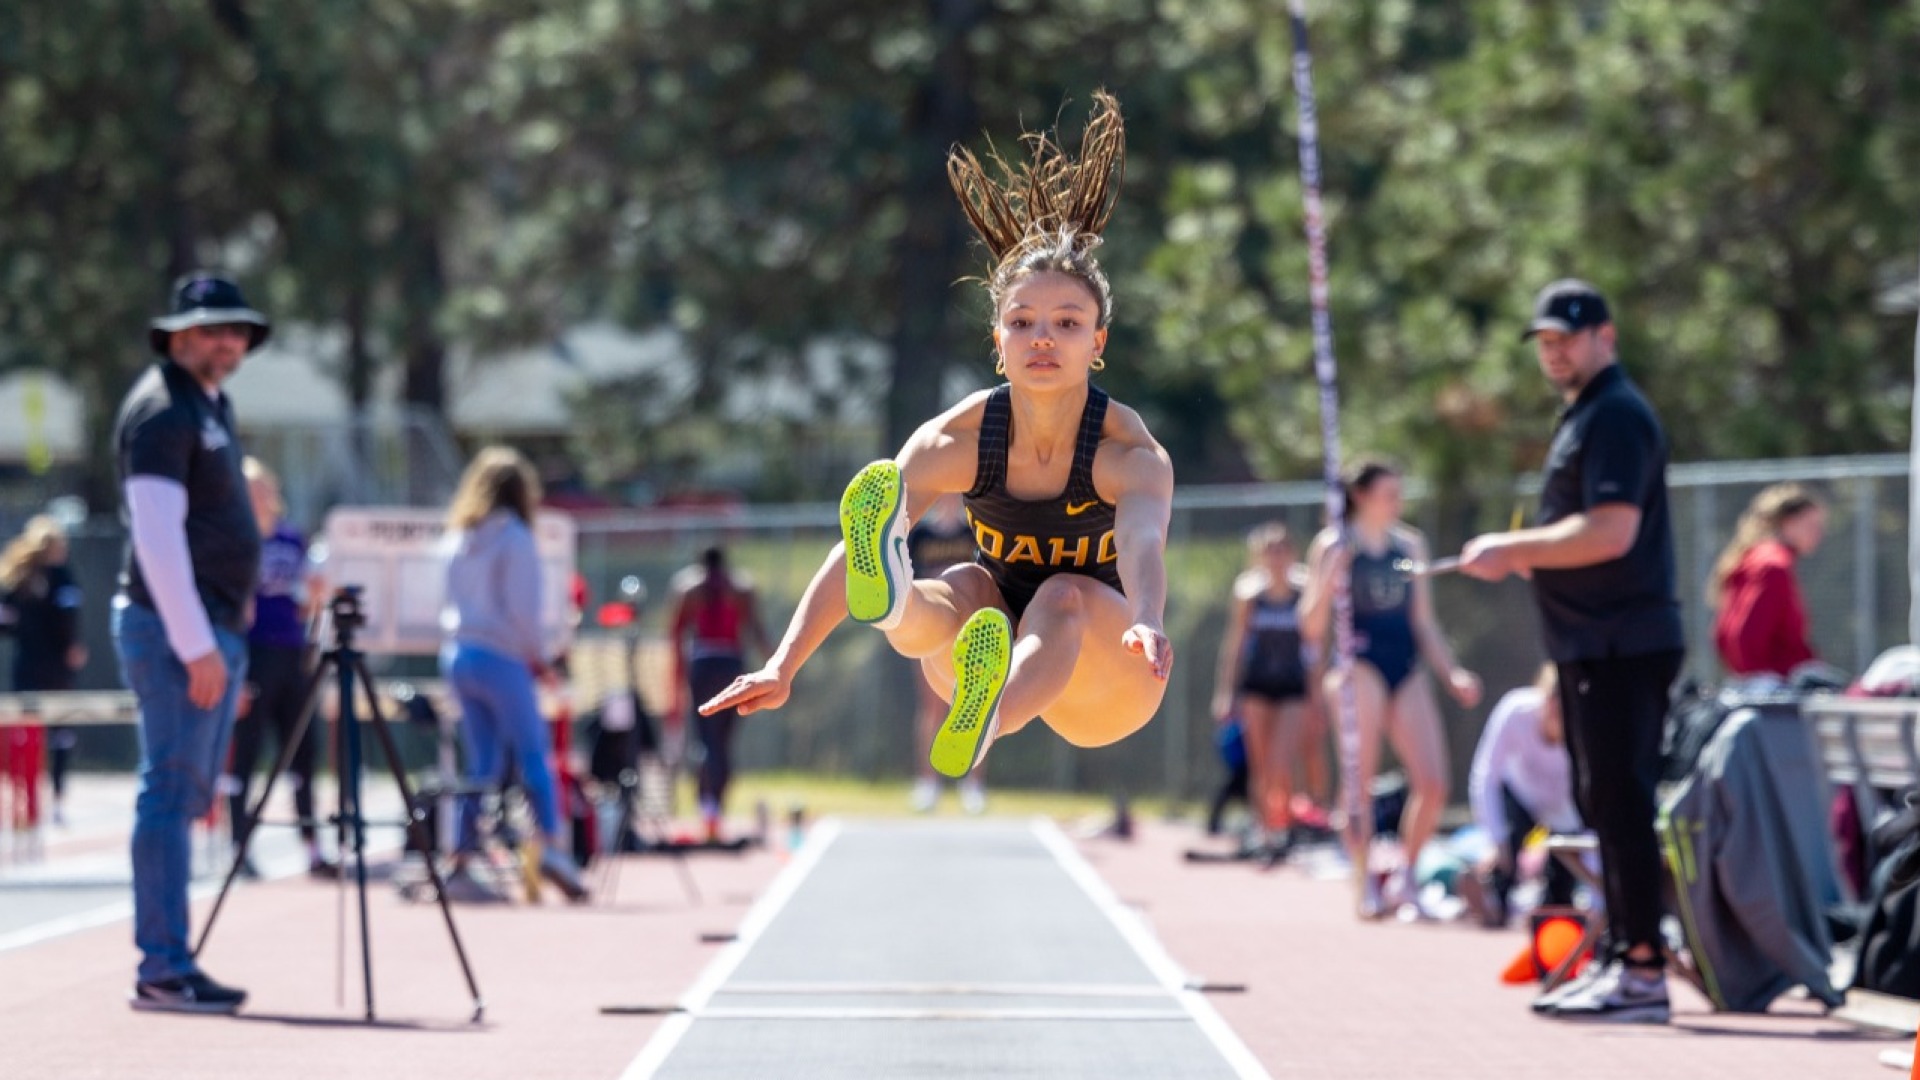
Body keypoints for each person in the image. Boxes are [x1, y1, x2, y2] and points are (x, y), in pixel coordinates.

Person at [699, 93, 1175, 785]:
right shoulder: (957, 438)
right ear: (997, 339)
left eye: (1067, 323)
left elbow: (1140, 542)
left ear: (1097, 342)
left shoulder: (1127, 452)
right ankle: (894, 602)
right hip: (988, 644)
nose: (1042, 336)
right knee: (958, 586)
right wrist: (783, 663)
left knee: (1064, 593)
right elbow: (850, 545)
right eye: (1023, 321)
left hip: (1112, 673)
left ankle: (986, 718)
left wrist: (1150, 616)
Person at [1460, 278, 1685, 1024]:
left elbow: (1612, 532)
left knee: (1621, 803)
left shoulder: (1616, 414)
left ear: (1605, 338)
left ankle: (1644, 971)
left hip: (1623, 645)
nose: (1554, 351)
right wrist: (1526, 555)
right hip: (1593, 646)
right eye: (1546, 341)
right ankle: (1626, 957)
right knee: (1605, 802)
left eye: (1568, 337)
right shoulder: (1584, 414)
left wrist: (1512, 547)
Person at [113, 273, 268, 1013]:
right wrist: (196, 643)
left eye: (236, 330)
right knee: (170, 792)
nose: (228, 341)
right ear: (178, 335)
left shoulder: (208, 403)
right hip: (181, 626)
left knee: (186, 793)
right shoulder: (162, 410)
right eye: (212, 329)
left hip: (209, 626)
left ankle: (172, 959)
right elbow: (156, 536)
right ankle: (163, 966)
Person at [1302, 459, 1482, 918]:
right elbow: (1309, 626)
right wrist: (1328, 578)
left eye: (1399, 494)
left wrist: (1451, 672)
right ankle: (1364, 881)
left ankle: (1407, 876)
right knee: (1358, 782)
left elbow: (1423, 621)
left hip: (1405, 664)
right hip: (1357, 664)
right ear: (1361, 496)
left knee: (1434, 781)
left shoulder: (1409, 544)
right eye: (1388, 493)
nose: (1396, 502)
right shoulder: (1335, 544)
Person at [439, 446, 588, 902]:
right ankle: (552, 847)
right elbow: (523, 611)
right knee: (533, 755)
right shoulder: (516, 538)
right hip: (501, 654)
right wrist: (540, 655)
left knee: (480, 763)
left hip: (459, 652)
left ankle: (461, 857)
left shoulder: (458, 537)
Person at [220, 458, 333, 879]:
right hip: (251, 656)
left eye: (264, 488)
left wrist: (318, 596)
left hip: (293, 654)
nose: (260, 496)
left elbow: (307, 600)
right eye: (251, 489)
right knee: (246, 755)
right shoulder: (232, 538)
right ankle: (239, 844)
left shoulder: (291, 538)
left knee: (303, 752)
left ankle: (311, 845)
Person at [1210, 523, 1311, 856]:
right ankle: (1263, 830)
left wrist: (1319, 690)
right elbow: (1235, 645)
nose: (1277, 556)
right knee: (1261, 764)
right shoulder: (1250, 595)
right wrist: (1226, 692)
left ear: (1292, 553)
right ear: (1261, 555)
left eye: (1283, 548)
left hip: (1292, 687)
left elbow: (1317, 643)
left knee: (1282, 763)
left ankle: (1284, 824)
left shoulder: (1304, 591)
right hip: (1257, 687)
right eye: (1271, 550)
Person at [669, 546, 771, 841]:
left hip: (702, 664)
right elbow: (756, 630)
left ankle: (709, 806)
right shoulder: (740, 588)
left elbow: (675, 635)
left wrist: (677, 675)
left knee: (706, 738)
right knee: (722, 741)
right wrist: (775, 664)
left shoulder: (689, 589)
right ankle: (714, 805)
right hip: (730, 664)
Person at [1465, 665, 1579, 926]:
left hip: (1565, 815)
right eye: (1553, 697)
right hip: (1520, 797)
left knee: (1561, 891)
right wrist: (1495, 841)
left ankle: (1551, 912)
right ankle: (1492, 897)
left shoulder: (1586, 734)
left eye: (1566, 702)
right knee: (1507, 843)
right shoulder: (1515, 711)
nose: (1556, 708)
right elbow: (1486, 774)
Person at [0, 515, 86, 828]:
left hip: (36, 669)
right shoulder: (30, 579)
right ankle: (34, 804)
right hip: (47, 670)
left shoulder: (37, 579)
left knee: (47, 736)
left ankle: (38, 804)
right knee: (39, 736)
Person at [905, 496, 989, 813]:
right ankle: (928, 783)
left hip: (971, 630)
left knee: (976, 706)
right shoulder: (921, 535)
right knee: (931, 709)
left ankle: (973, 785)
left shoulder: (974, 534)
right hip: (931, 629)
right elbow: (910, 582)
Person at [1710, 483, 1826, 681]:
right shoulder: (1772, 566)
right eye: (1811, 525)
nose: (1818, 534)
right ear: (1788, 523)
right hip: (1774, 687)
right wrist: (1761, 681)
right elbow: (1741, 634)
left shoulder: (1756, 558)